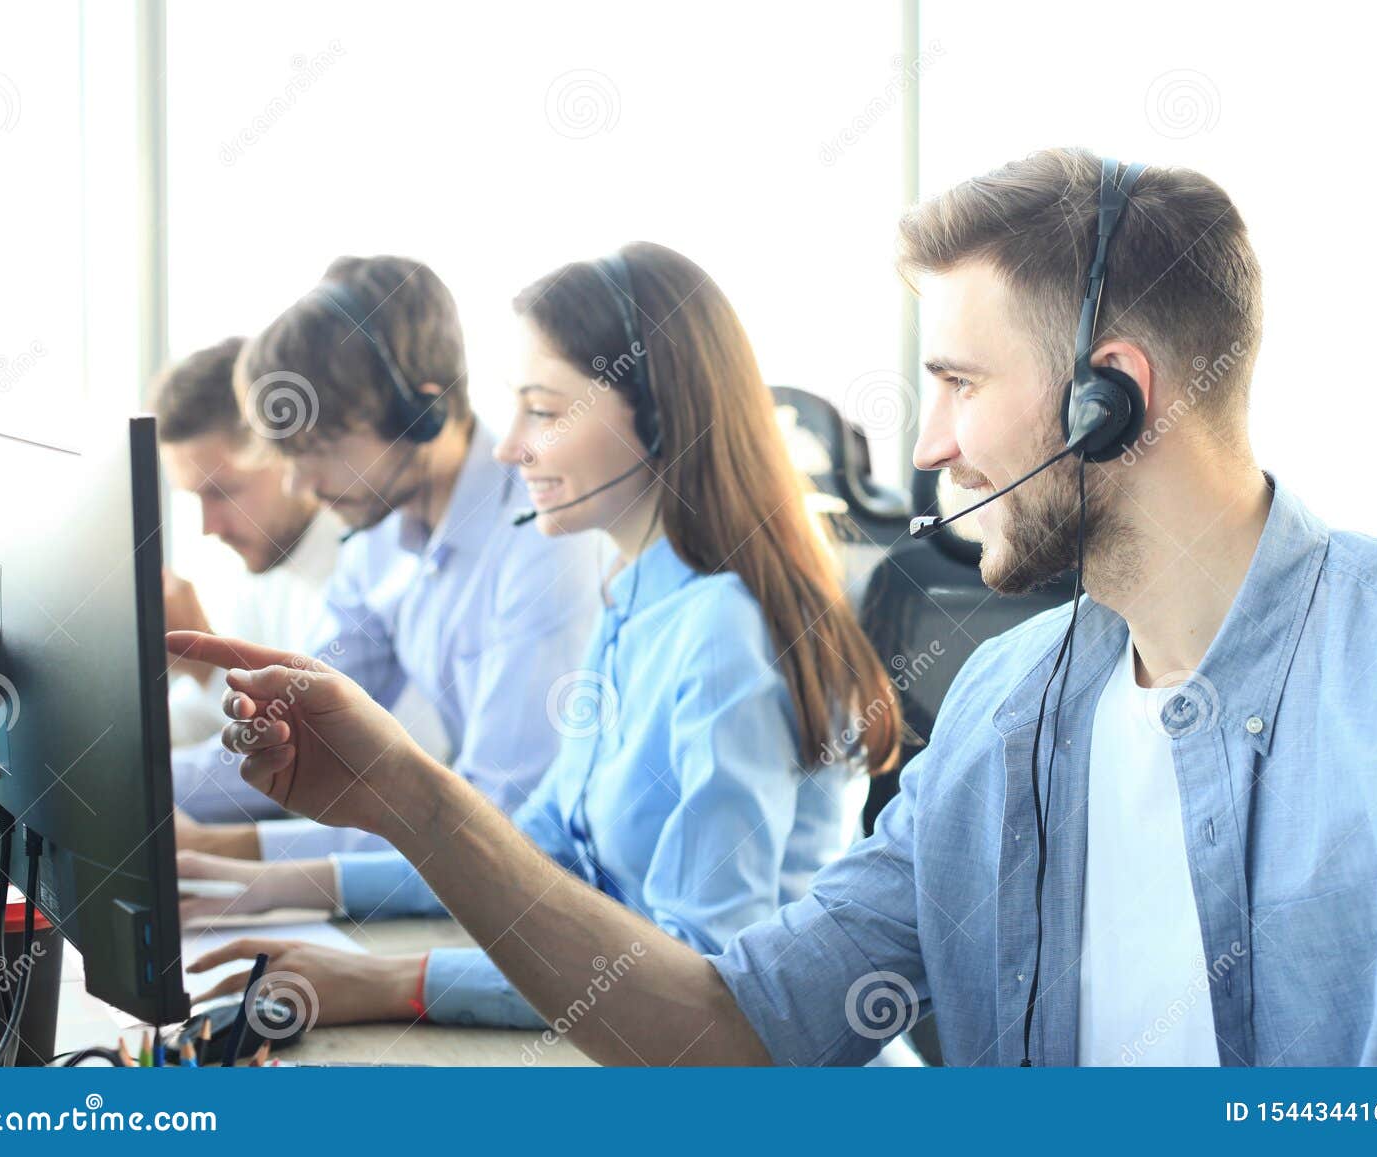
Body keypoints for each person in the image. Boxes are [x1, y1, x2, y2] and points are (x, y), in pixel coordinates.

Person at [170, 151, 1377, 1066]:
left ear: (1112, 396)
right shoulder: (1006, 711)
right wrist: (411, 794)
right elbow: (732, 1028)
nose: (929, 445)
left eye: (957, 380)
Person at [176, 243, 903, 1035]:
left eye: (545, 411)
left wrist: (396, 979)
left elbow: (700, 980)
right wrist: (272, 880)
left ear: (661, 418)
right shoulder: (630, 598)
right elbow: (524, 855)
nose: (507, 444)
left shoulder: (726, 628)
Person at [172, 256, 602, 864]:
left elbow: (500, 824)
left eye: (316, 451)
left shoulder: (542, 541)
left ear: (421, 415)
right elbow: (295, 728)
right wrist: (128, 789)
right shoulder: (377, 538)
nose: (297, 486)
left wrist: (233, 849)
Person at [150, 337, 445, 760]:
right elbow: (203, 725)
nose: (207, 528)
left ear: (282, 449)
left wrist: (204, 664)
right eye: (193, 498)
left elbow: (319, 758)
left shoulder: (372, 569)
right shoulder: (264, 565)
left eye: (223, 492)